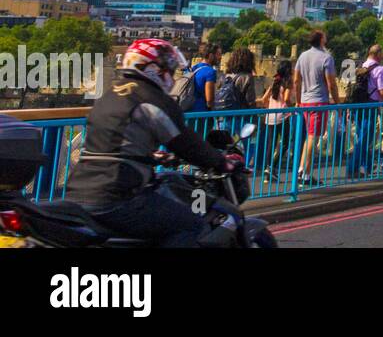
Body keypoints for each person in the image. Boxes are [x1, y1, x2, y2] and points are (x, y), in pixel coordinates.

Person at [65, 39, 241, 247]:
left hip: (77, 191)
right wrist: (221, 162)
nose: (170, 75)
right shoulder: (152, 99)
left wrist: (150, 155)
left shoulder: (110, 95)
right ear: (152, 70)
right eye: (167, 69)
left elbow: (113, 143)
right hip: (118, 195)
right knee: (191, 223)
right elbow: (185, 142)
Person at [293, 30, 337, 185]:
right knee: (313, 137)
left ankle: (301, 170)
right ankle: (305, 174)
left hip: (305, 101)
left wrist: (298, 100)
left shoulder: (302, 56)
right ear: (321, 40)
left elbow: (296, 81)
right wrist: (337, 102)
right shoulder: (326, 58)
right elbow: (331, 83)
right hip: (319, 101)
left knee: (309, 136)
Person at [347, 44, 383, 178]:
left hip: (357, 106)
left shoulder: (361, 66)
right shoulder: (381, 69)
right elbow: (382, 92)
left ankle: (368, 166)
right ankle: (352, 169)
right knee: (365, 139)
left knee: (362, 137)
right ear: (378, 54)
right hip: (370, 106)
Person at [258, 60, 294, 179]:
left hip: (270, 116)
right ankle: (272, 167)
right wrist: (293, 108)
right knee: (285, 142)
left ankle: (267, 171)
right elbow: (287, 98)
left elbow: (263, 99)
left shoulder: (275, 81)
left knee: (271, 144)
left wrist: (272, 104)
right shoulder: (288, 81)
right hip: (282, 116)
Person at [190, 43, 222, 114]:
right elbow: (209, 100)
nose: (220, 57)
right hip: (201, 114)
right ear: (210, 56)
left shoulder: (194, 68)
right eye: (218, 54)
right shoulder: (210, 72)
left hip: (189, 110)